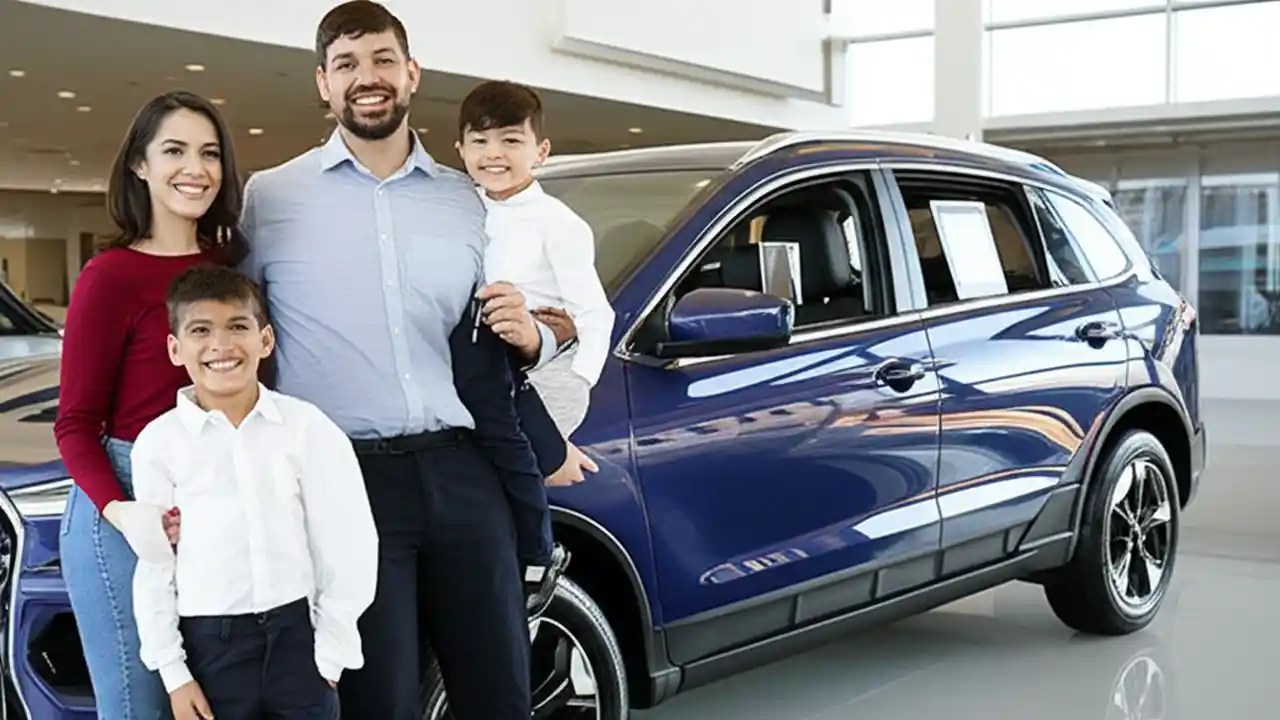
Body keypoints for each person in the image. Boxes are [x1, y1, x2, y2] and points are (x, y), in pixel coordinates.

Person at [237, 3, 575, 717]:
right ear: (323, 85)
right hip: (345, 481)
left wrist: (537, 338)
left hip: (466, 471)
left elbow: (520, 331)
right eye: (348, 64)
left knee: (499, 694)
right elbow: (236, 343)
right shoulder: (271, 199)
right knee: (379, 701)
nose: (368, 78)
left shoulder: (468, 200)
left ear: (412, 74)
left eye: (383, 60)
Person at [53, 90, 247, 719]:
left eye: (210, 153)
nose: (196, 168)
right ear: (140, 164)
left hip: (218, 499)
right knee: (141, 708)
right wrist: (123, 511)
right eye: (175, 151)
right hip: (128, 505)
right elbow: (75, 423)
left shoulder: (232, 267)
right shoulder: (108, 276)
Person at [131, 265, 378, 720]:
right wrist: (174, 673)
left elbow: (349, 543)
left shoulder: (308, 429)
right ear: (175, 348)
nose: (221, 345)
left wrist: (330, 653)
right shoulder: (158, 445)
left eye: (238, 327)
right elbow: (155, 566)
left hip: (298, 642)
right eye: (201, 330)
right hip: (210, 649)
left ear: (265, 340)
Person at [455, 79, 615, 584]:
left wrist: (577, 383)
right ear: (460, 149)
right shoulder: (458, 210)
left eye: (510, 140)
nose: (493, 154)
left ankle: (537, 561)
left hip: (551, 378)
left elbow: (595, 314)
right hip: (484, 371)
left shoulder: (558, 223)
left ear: (540, 151)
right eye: (479, 142)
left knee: (513, 471)